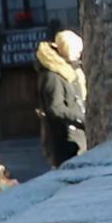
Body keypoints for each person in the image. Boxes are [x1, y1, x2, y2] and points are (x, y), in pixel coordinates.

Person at [35, 29, 86, 169]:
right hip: (66, 140)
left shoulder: (69, 72)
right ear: (65, 49)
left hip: (76, 136)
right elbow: (55, 108)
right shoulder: (53, 76)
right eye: (76, 50)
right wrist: (81, 117)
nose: (79, 54)